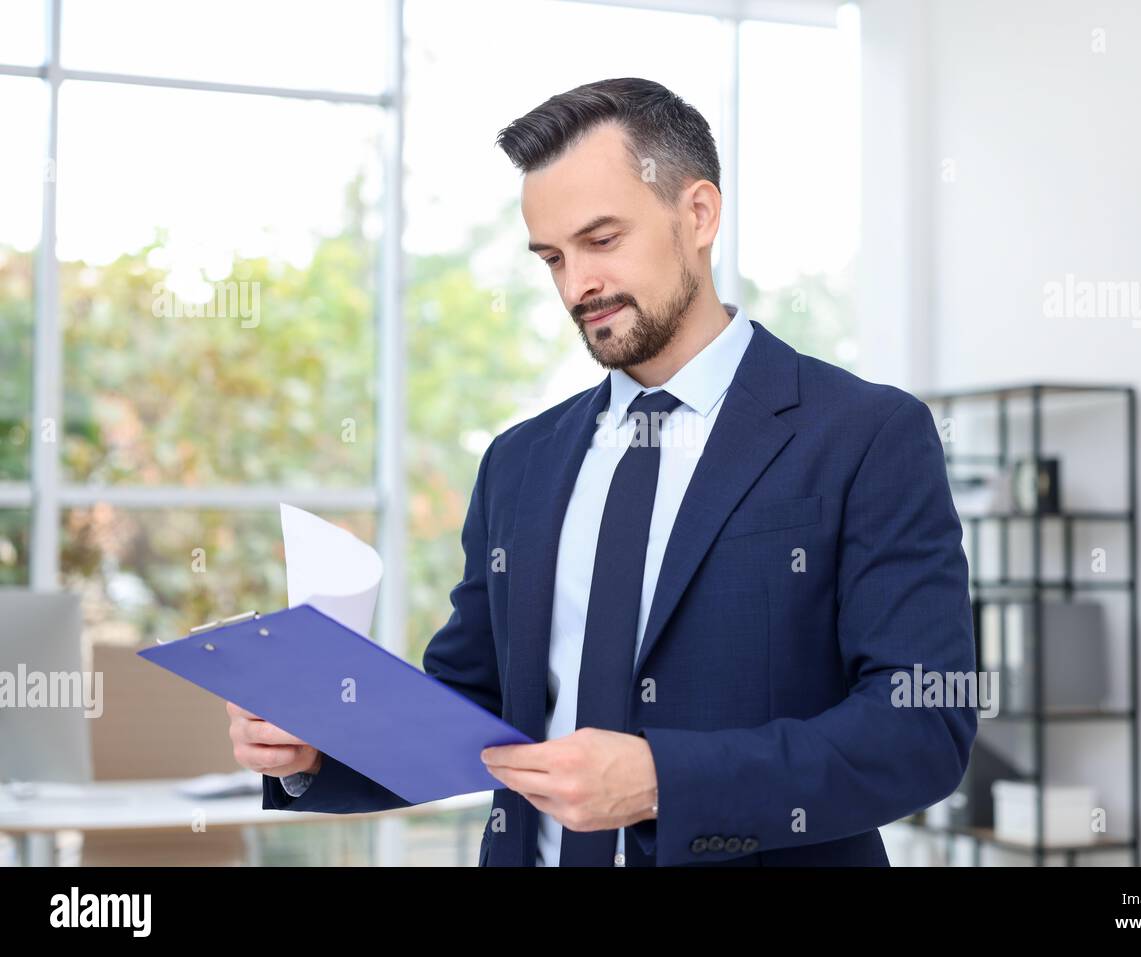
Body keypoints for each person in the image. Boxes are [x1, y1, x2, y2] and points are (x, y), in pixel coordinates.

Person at [229, 77, 977, 867]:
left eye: (601, 240)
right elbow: (471, 707)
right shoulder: (519, 463)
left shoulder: (864, 435)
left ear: (698, 214)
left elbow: (920, 727)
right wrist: (320, 746)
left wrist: (664, 781)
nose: (576, 285)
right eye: (552, 257)